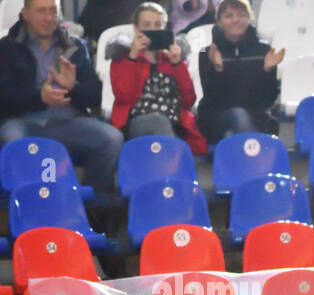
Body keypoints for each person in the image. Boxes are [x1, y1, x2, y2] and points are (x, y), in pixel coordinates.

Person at [0, 0, 124, 195]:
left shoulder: (74, 46)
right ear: (25, 14)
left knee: (112, 139)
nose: (49, 18)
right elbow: (4, 96)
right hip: (23, 121)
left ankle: (89, 210)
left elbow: (95, 95)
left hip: (69, 121)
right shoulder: (7, 48)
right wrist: (39, 97)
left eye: (53, 11)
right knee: (13, 138)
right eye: (42, 11)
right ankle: (26, 209)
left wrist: (73, 88)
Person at [106, 2, 206, 151]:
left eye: (158, 24)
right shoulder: (123, 58)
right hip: (137, 121)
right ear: (136, 28)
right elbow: (123, 97)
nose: (152, 29)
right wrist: (132, 57)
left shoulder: (172, 59)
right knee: (158, 123)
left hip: (173, 122)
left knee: (167, 132)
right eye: (146, 25)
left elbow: (188, 101)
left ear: (165, 28)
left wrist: (178, 64)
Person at [194, 0, 281, 143]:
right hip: (217, 117)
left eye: (241, 15)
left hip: (255, 116)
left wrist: (267, 71)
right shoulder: (207, 53)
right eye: (228, 16)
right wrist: (218, 69)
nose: (236, 20)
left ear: (248, 18)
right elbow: (212, 98)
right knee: (238, 116)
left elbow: (268, 99)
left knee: (233, 135)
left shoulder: (263, 51)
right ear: (219, 21)